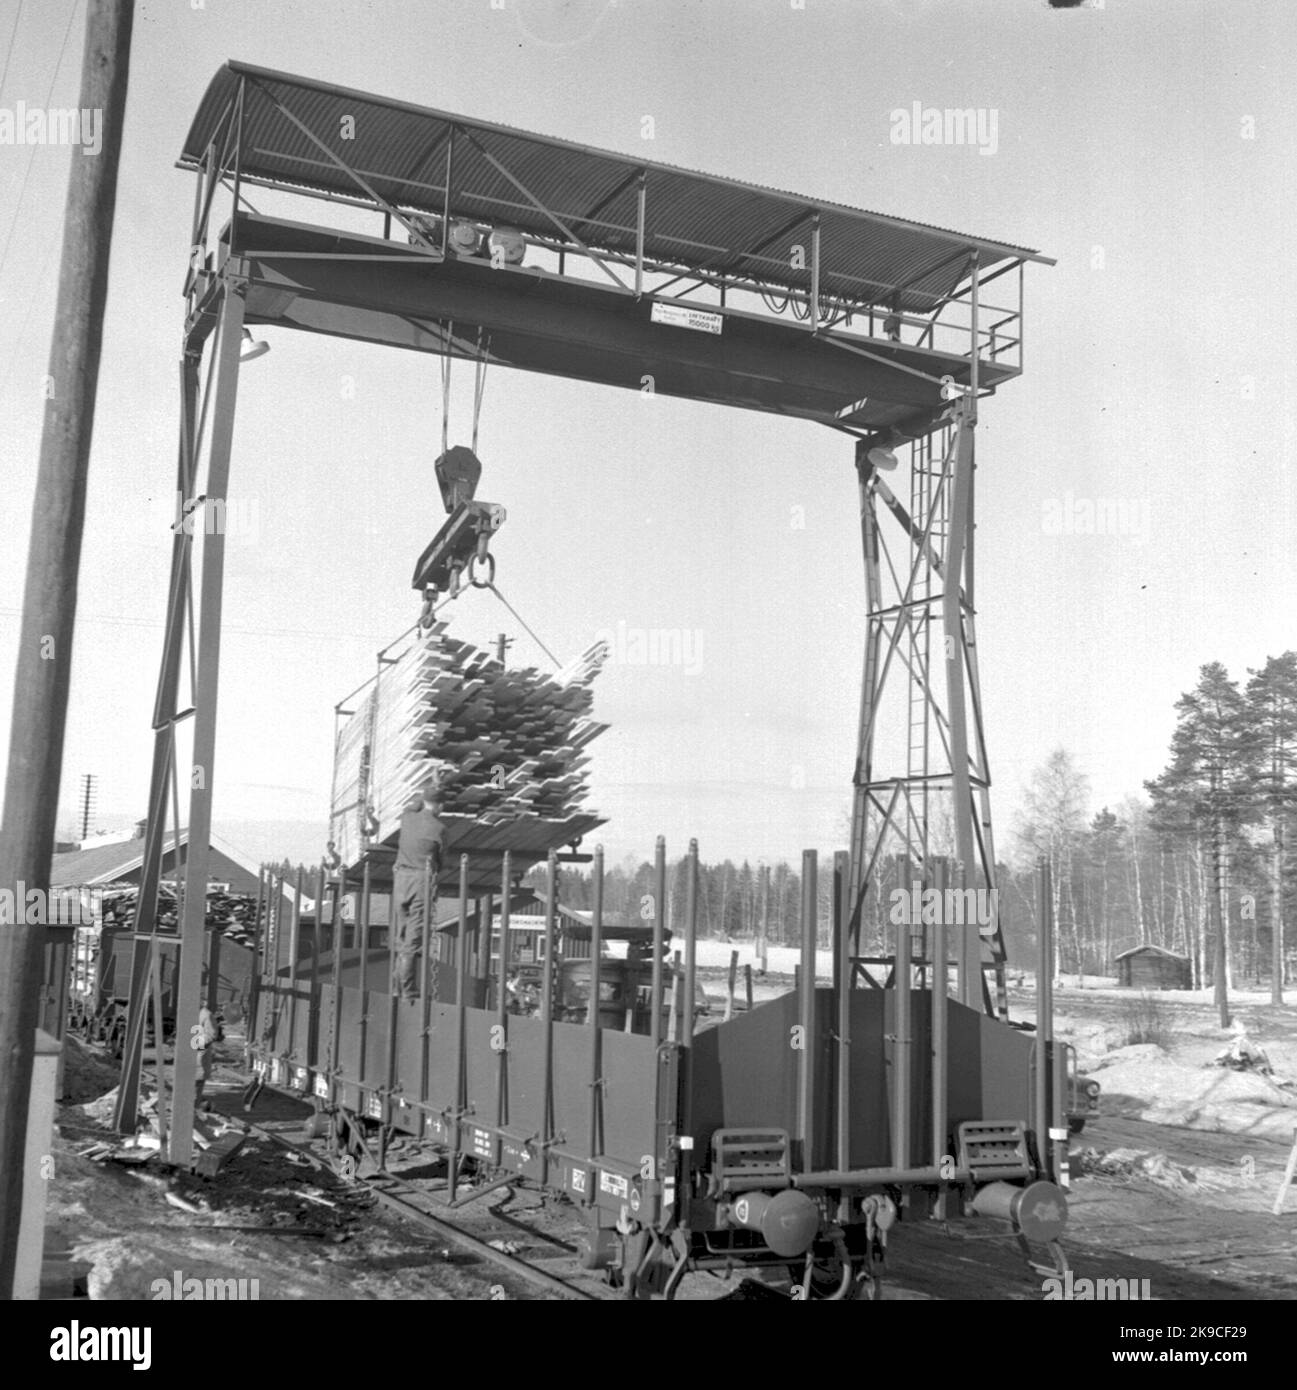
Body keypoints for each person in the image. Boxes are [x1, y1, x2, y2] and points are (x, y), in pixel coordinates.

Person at [393, 781, 445, 1000]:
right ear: (441, 806)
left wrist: (433, 784)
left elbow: (413, 805)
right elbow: (441, 861)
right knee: (413, 940)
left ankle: (397, 988)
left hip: (400, 879)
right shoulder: (439, 829)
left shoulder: (407, 818)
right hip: (421, 880)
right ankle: (408, 991)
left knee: (401, 937)